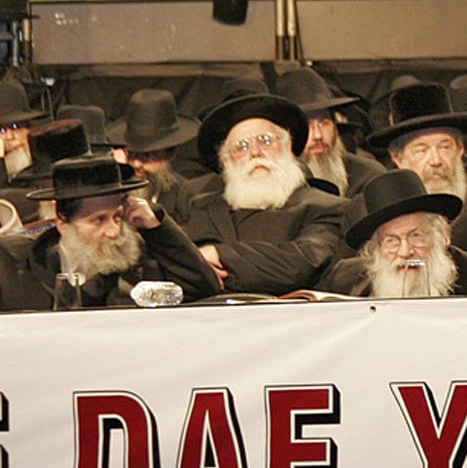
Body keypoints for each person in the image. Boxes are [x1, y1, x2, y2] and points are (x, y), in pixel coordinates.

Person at [179, 93, 348, 294]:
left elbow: (300, 265)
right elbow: (184, 268)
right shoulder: (205, 208)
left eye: (265, 141)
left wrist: (218, 254)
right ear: (226, 162)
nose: (255, 153)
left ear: (288, 146)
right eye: (241, 147)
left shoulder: (326, 207)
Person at [0, 157, 221, 310]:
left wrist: (158, 227)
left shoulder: (139, 261)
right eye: (98, 220)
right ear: (63, 224)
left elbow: (203, 288)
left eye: (118, 217)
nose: (114, 231)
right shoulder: (15, 267)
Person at [362, 83, 467, 268]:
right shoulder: (367, 212)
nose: (435, 160)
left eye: (444, 147)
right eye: (422, 150)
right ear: (397, 158)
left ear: (460, 150)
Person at [317, 169, 467, 298]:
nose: (405, 252)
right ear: (376, 247)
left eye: (416, 236)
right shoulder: (345, 279)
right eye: (391, 241)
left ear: (441, 234)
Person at [273, 66, 384, 199]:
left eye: (324, 123)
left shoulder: (368, 176)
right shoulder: (273, 186)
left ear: (335, 127)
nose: (318, 135)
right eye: (307, 125)